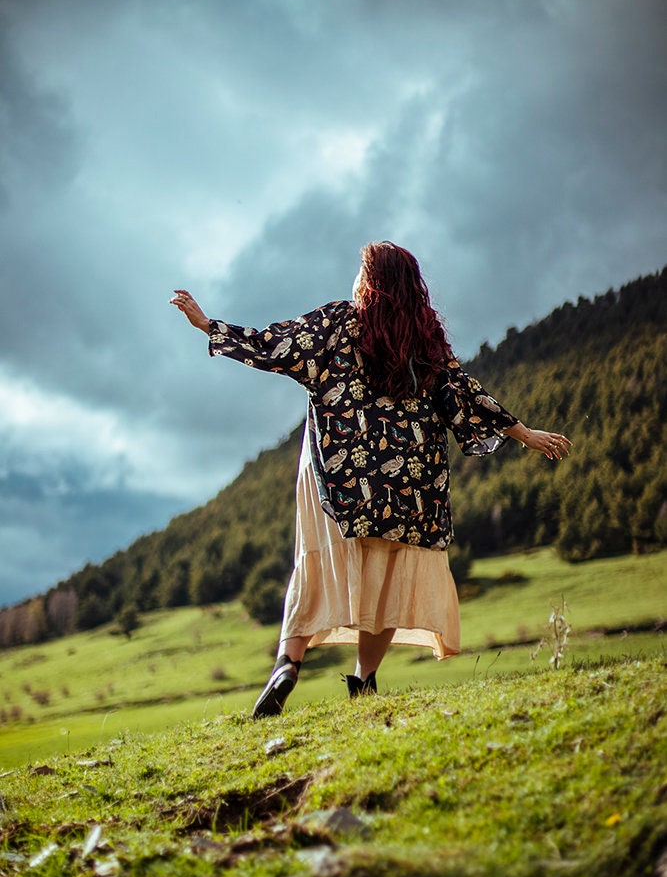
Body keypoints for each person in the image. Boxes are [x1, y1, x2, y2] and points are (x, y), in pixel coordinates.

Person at [171, 241, 571, 718]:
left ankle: (288, 664)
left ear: (370, 282)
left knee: (317, 563)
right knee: (386, 580)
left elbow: (276, 346)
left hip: (341, 475)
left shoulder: (339, 321)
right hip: (409, 483)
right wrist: (523, 433)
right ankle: (363, 681)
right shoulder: (425, 338)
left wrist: (209, 326)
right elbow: (463, 394)